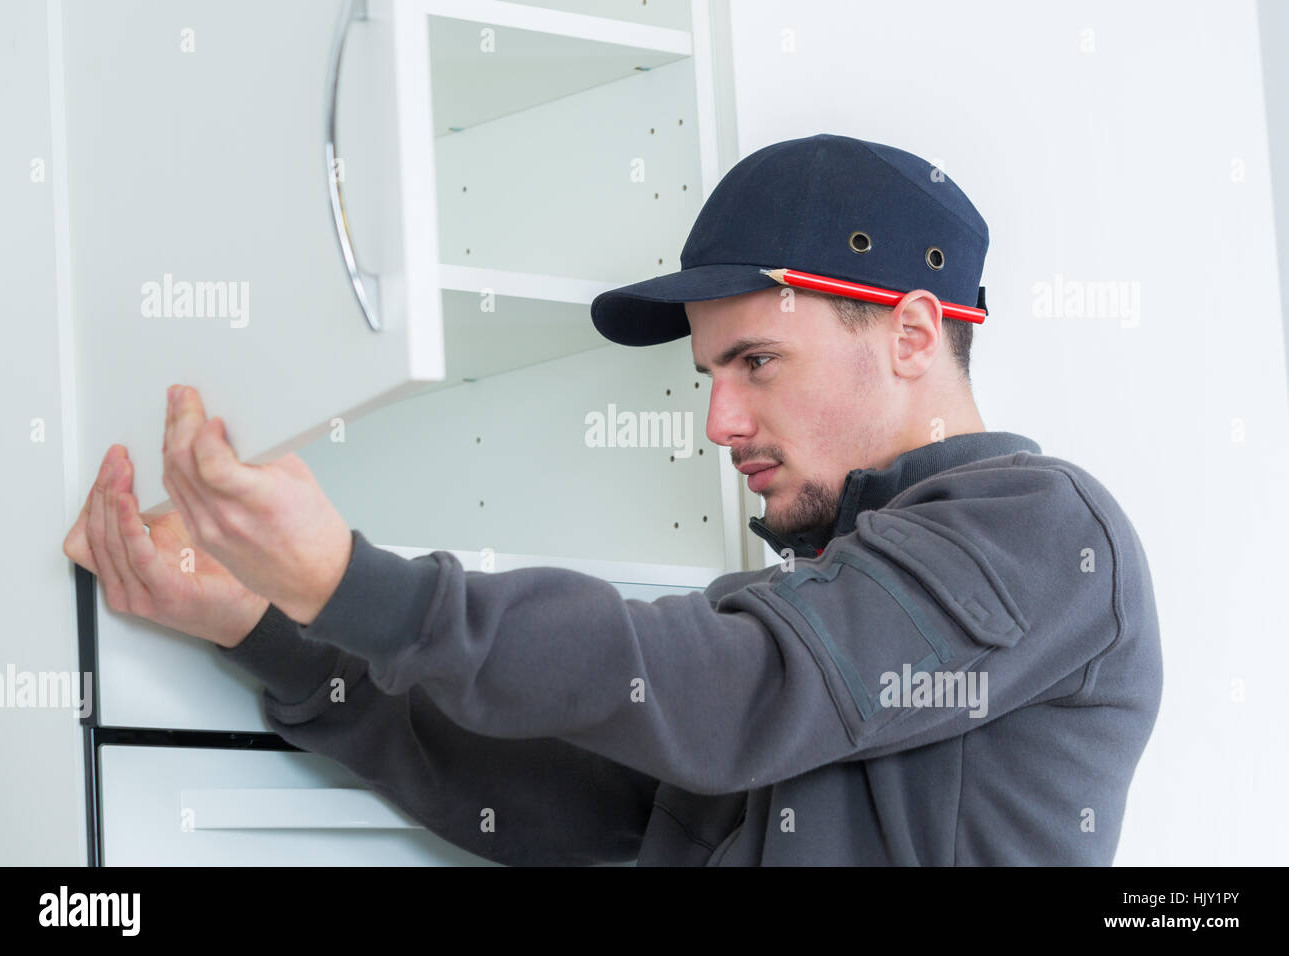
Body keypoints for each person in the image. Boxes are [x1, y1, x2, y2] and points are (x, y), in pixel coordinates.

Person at [63, 133, 1163, 865]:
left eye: (757, 363)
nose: (717, 422)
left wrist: (352, 582)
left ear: (914, 333)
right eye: (708, 376)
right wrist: (262, 623)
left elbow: (731, 694)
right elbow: (550, 789)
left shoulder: (1045, 531)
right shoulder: (801, 613)